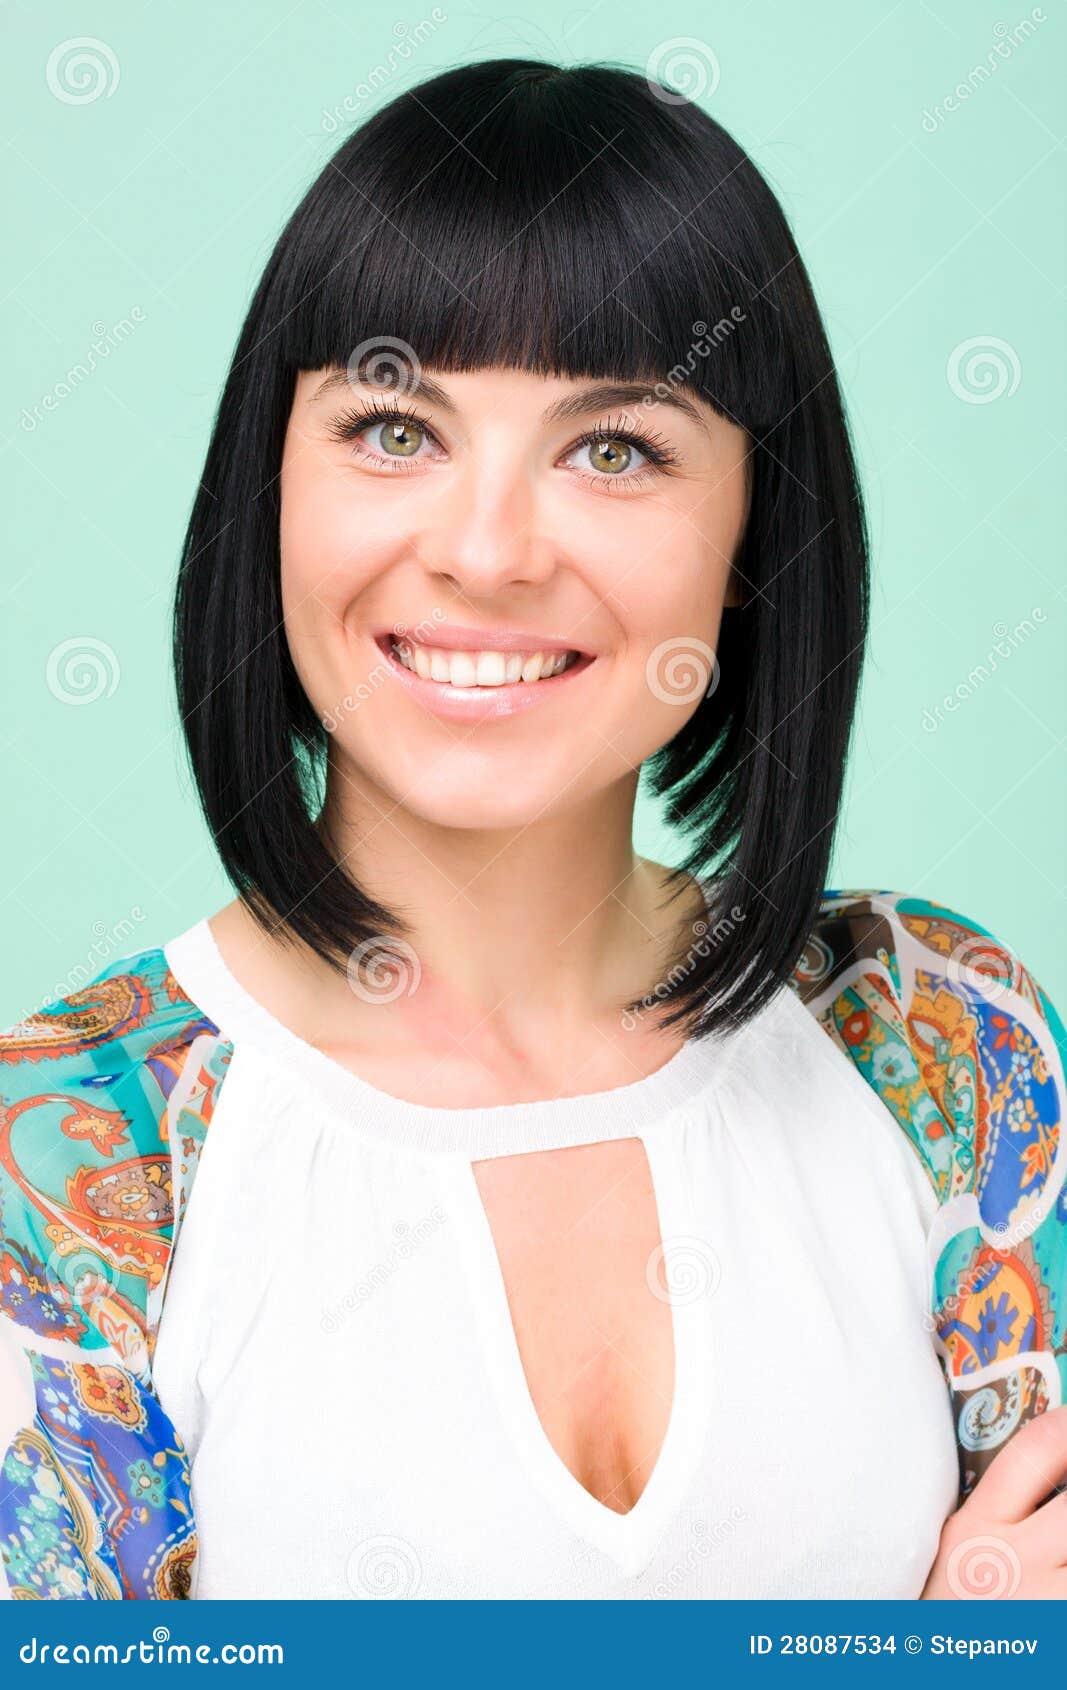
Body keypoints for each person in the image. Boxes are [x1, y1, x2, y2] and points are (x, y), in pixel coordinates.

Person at [1, 57, 1064, 1602]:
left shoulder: (937, 1036)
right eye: (392, 429)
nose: (487, 552)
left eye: (616, 448)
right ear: (269, 490)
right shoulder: (67, 1155)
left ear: (757, 533)